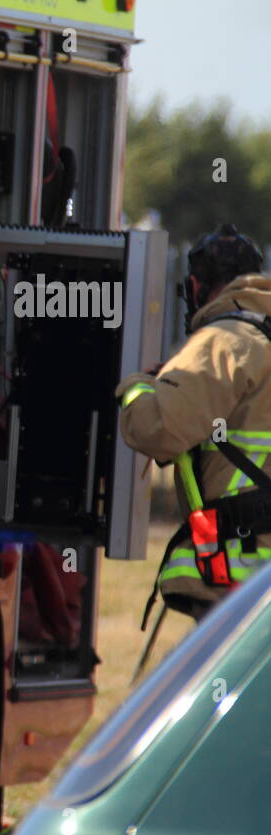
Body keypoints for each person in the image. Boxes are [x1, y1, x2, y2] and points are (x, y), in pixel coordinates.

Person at [116, 223, 271, 624]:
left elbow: (159, 429)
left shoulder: (223, 341)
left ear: (196, 286)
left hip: (243, 570)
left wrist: (138, 386)